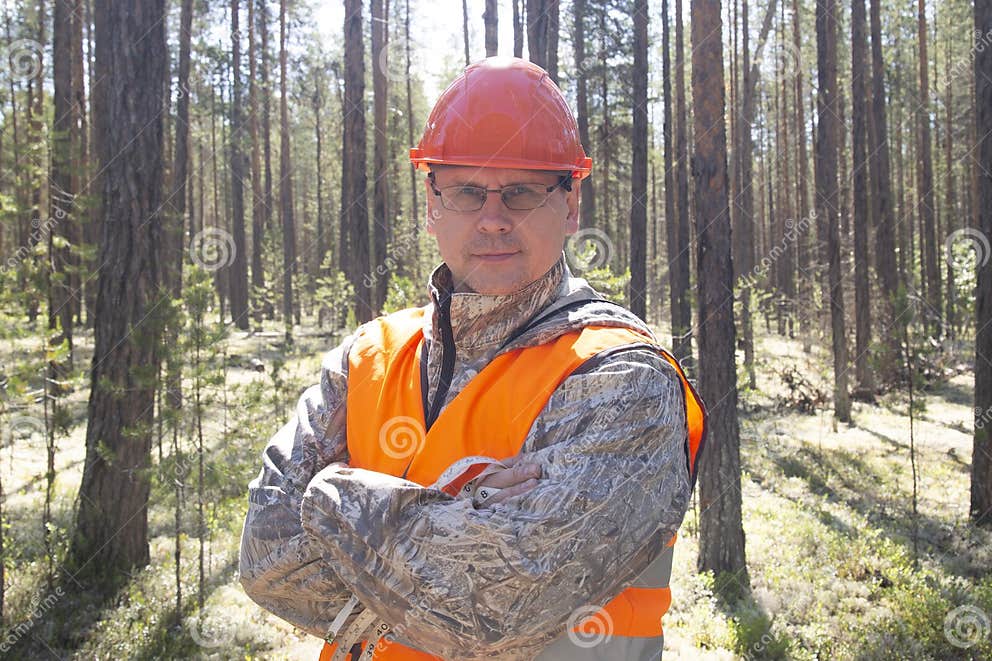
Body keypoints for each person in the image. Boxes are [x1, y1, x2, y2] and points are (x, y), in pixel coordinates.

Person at [238, 56, 706, 661]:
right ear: (432, 204)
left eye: (522, 192)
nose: (492, 220)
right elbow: (267, 557)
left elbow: (500, 607)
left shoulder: (623, 378)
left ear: (570, 204)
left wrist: (330, 500)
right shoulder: (368, 356)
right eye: (466, 191)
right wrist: (462, 514)